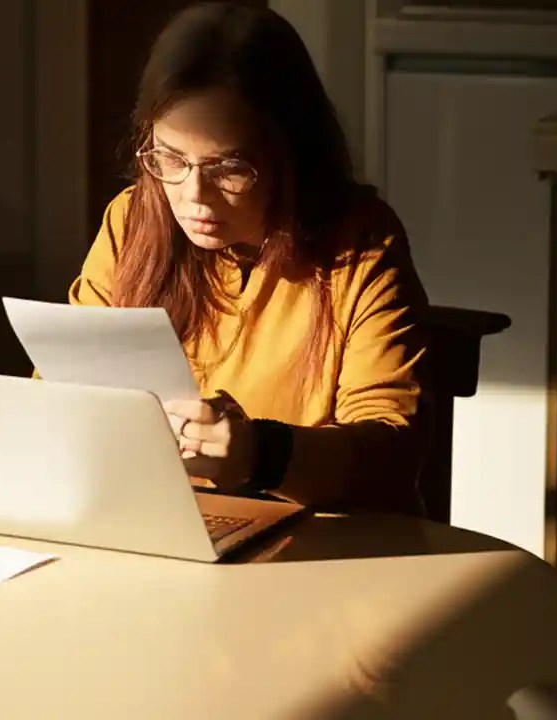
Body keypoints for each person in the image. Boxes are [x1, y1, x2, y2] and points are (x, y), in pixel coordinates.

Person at [67, 1, 431, 515]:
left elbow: (392, 453)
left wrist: (262, 454)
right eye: (170, 159)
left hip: (322, 548)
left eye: (229, 167)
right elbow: (67, 386)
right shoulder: (132, 221)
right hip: (158, 524)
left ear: (292, 156)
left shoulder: (359, 244)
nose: (195, 195)